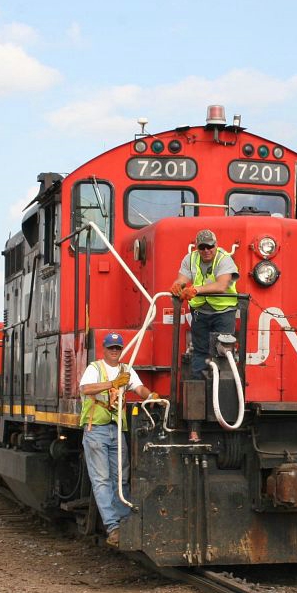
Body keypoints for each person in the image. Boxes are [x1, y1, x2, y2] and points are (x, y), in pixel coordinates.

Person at [79, 332, 156, 547]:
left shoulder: (127, 369)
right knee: (102, 479)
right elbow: (85, 388)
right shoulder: (94, 368)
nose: (114, 351)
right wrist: (112, 383)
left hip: (117, 430)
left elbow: (138, 388)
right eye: (111, 348)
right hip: (96, 430)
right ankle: (113, 528)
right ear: (104, 349)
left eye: (118, 348)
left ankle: (125, 523)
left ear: (121, 350)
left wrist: (151, 397)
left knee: (120, 478)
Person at [170, 228, 239, 376]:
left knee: (223, 352)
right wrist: (178, 285)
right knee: (199, 351)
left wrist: (195, 290)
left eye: (210, 246)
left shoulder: (224, 259)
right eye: (202, 247)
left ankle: (222, 393)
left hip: (224, 312)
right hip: (200, 313)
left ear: (216, 245)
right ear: (197, 247)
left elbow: (222, 285)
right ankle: (198, 390)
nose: (206, 250)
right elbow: (182, 279)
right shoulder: (190, 258)